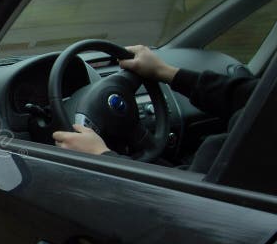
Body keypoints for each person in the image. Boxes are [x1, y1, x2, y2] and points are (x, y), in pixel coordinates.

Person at [52, 45, 259, 172]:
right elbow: (253, 96)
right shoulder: (263, 111)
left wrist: (100, 157)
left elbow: (182, 199)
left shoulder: (241, 158)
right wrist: (164, 72)